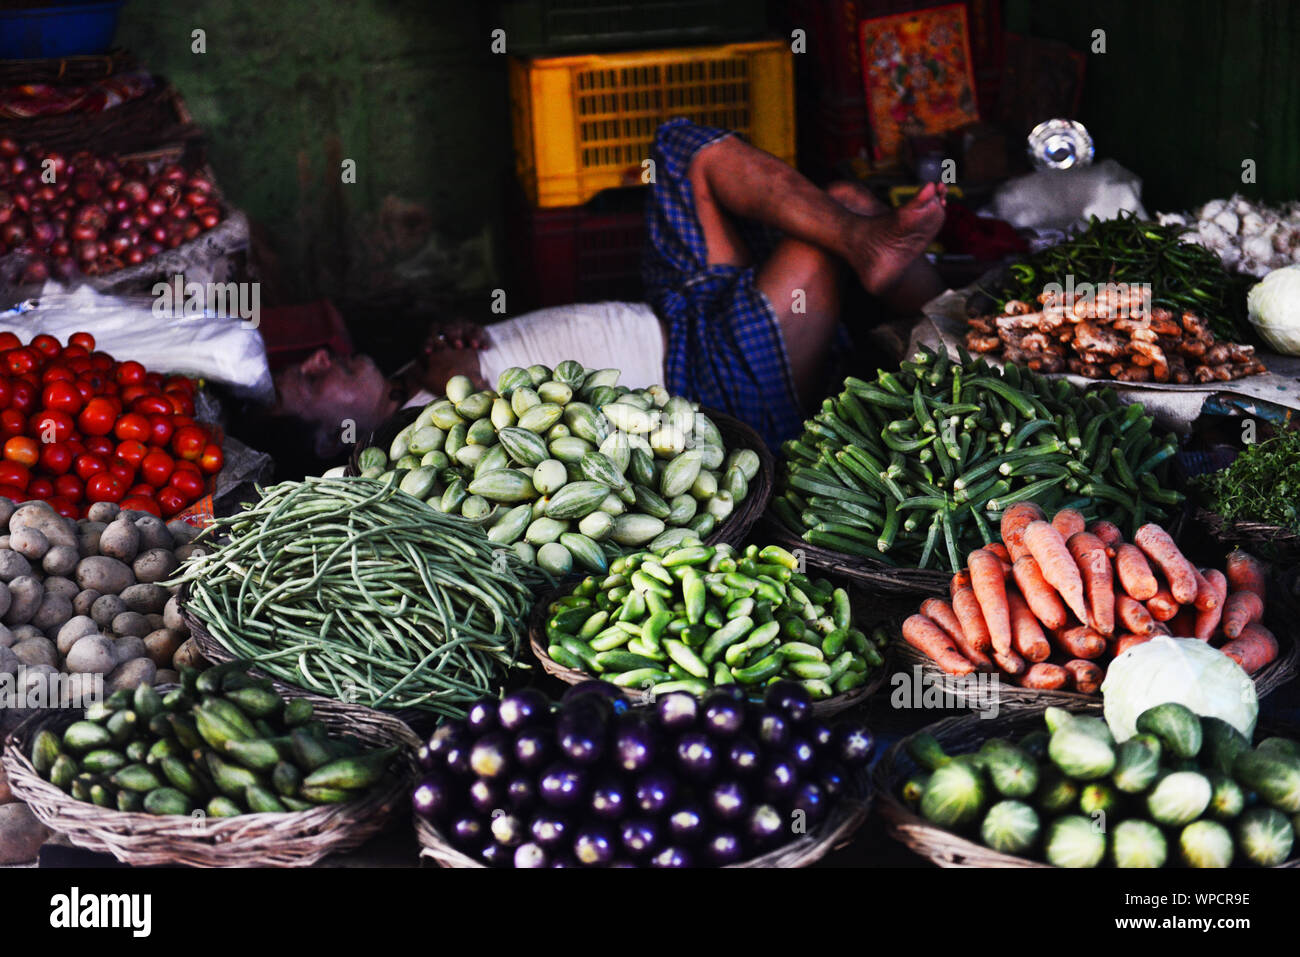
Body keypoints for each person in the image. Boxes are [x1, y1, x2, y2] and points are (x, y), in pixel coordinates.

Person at [260, 118, 947, 468]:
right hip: (707, 383)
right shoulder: (420, 443)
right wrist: (470, 393)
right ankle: (945, 314)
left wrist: (454, 340)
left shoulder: (410, 377)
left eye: (305, 361)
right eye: (304, 384)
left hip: (674, 311)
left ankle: (896, 265)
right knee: (825, 237)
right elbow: (551, 474)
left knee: (682, 148)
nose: (317, 359)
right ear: (334, 441)